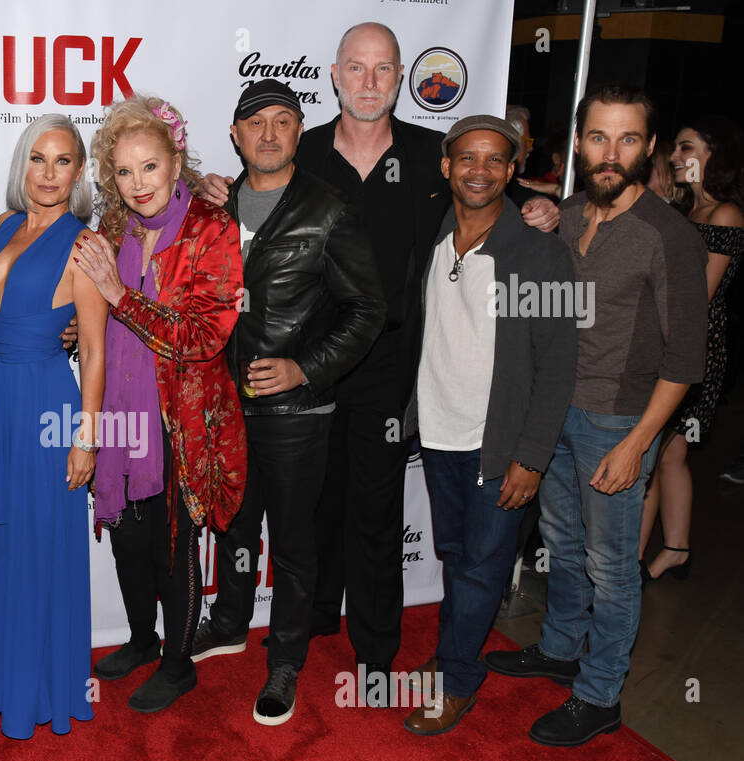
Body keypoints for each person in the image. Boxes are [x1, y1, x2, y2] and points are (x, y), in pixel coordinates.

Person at [200, 22, 560, 699]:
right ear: (334, 77)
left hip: (391, 363)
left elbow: (491, 196)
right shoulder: (296, 148)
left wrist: (539, 205)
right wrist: (217, 191)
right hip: (303, 365)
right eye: (356, 69)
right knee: (310, 506)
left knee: (372, 509)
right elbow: (248, 197)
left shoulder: (434, 155)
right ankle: (307, 628)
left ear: (399, 79)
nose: (368, 82)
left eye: (382, 70)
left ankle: (374, 650)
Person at [485, 86, 709, 746]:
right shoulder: (569, 210)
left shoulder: (669, 237)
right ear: (578, 145)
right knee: (561, 543)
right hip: (553, 411)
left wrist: (640, 441)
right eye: (599, 138)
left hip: (616, 421)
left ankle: (601, 691)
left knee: (613, 568)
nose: (612, 153)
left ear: (650, 148)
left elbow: (686, 357)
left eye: (629, 139)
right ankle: (559, 650)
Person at [188, 79, 386, 726]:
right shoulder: (212, 206)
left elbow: (367, 309)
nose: (269, 133)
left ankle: (286, 659)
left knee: (296, 543)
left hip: (297, 415)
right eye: (256, 123)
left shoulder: (329, 211)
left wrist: (306, 368)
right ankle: (229, 623)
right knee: (234, 526)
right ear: (236, 135)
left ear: (300, 132)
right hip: (225, 404)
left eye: (283, 121)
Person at [405, 115, 576, 735]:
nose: (480, 170)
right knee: (456, 557)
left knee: (481, 565)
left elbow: (560, 367)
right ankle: (455, 651)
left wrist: (531, 457)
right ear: (447, 167)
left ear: (511, 171)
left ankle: (457, 682)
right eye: (467, 159)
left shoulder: (539, 252)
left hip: (497, 444)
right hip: (439, 432)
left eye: (495, 161)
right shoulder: (434, 234)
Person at [77, 95, 246, 713]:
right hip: (122, 412)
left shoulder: (211, 229)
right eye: (123, 171)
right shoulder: (115, 226)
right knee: (127, 534)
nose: (138, 183)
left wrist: (118, 295)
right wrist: (84, 322)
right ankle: (143, 641)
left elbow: (202, 338)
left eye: (149, 167)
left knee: (173, 543)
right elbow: (99, 309)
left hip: (180, 417)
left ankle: (179, 665)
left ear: (176, 163)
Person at [0, 114, 106, 738]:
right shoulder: (2, 226)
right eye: (38, 160)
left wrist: (86, 436)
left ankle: (41, 690)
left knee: (40, 546)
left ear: (79, 172)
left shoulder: (85, 246)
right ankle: (1, 678)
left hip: (46, 405)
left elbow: (95, 351)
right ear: (23, 165)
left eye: (64, 161)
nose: (49, 174)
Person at [639, 116, 744, 580]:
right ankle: (675, 549)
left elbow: (699, 294)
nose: (677, 158)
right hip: (673, 341)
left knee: (657, 453)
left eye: (685, 149)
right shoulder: (686, 212)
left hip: (697, 348)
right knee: (672, 454)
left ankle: (629, 563)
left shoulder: (726, 213)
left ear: (712, 155)